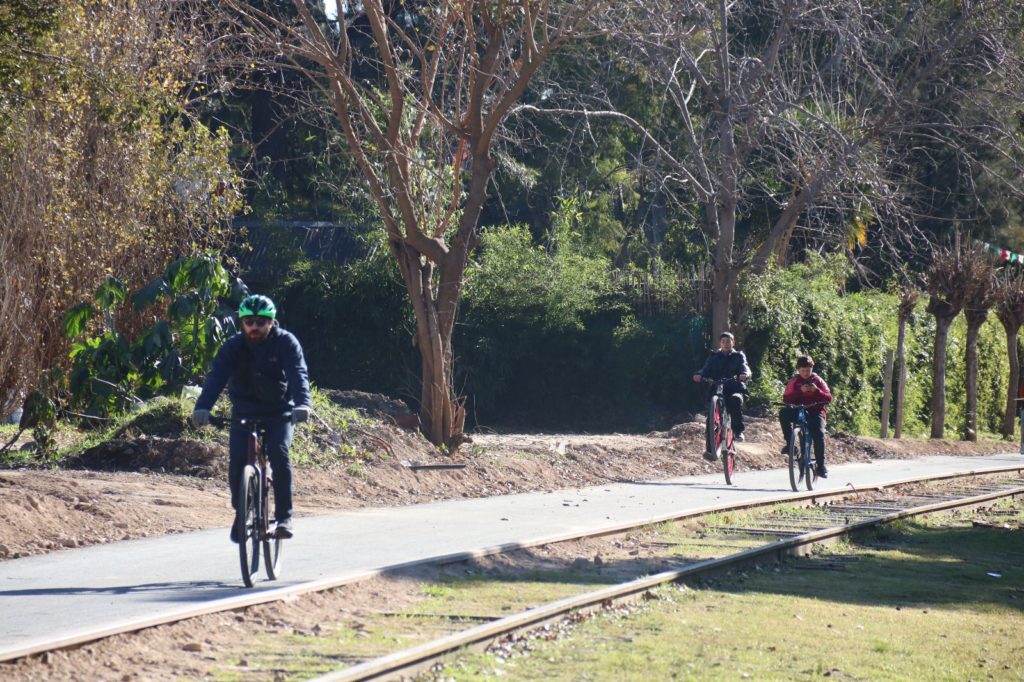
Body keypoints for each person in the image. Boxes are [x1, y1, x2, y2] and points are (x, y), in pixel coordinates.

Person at [192, 294, 312, 541]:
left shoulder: (286, 343)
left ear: (271, 322)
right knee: (237, 459)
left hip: (279, 413)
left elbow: (298, 374)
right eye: (249, 322)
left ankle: (284, 517)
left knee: (279, 453)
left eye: (260, 321)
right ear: (242, 323)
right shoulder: (233, 347)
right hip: (244, 412)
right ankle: (242, 511)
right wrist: (203, 406)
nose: (254, 327)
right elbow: (216, 378)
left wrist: (302, 404)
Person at [693, 331, 751, 460]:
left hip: (735, 387)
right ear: (720, 343)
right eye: (723, 341)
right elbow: (706, 369)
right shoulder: (714, 356)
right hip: (717, 389)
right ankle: (711, 451)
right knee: (710, 420)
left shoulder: (739, 356)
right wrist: (699, 374)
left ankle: (738, 431)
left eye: (728, 341)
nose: (726, 344)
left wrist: (745, 375)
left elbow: (745, 367)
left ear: (733, 342)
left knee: (735, 400)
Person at [779, 355, 833, 478]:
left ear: (812, 369)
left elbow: (828, 398)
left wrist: (816, 391)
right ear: (798, 370)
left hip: (816, 411)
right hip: (798, 410)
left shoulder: (818, 380)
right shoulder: (794, 381)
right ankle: (789, 444)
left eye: (808, 370)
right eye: (802, 370)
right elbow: (786, 398)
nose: (805, 373)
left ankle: (821, 465)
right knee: (783, 413)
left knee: (819, 434)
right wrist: (799, 392)